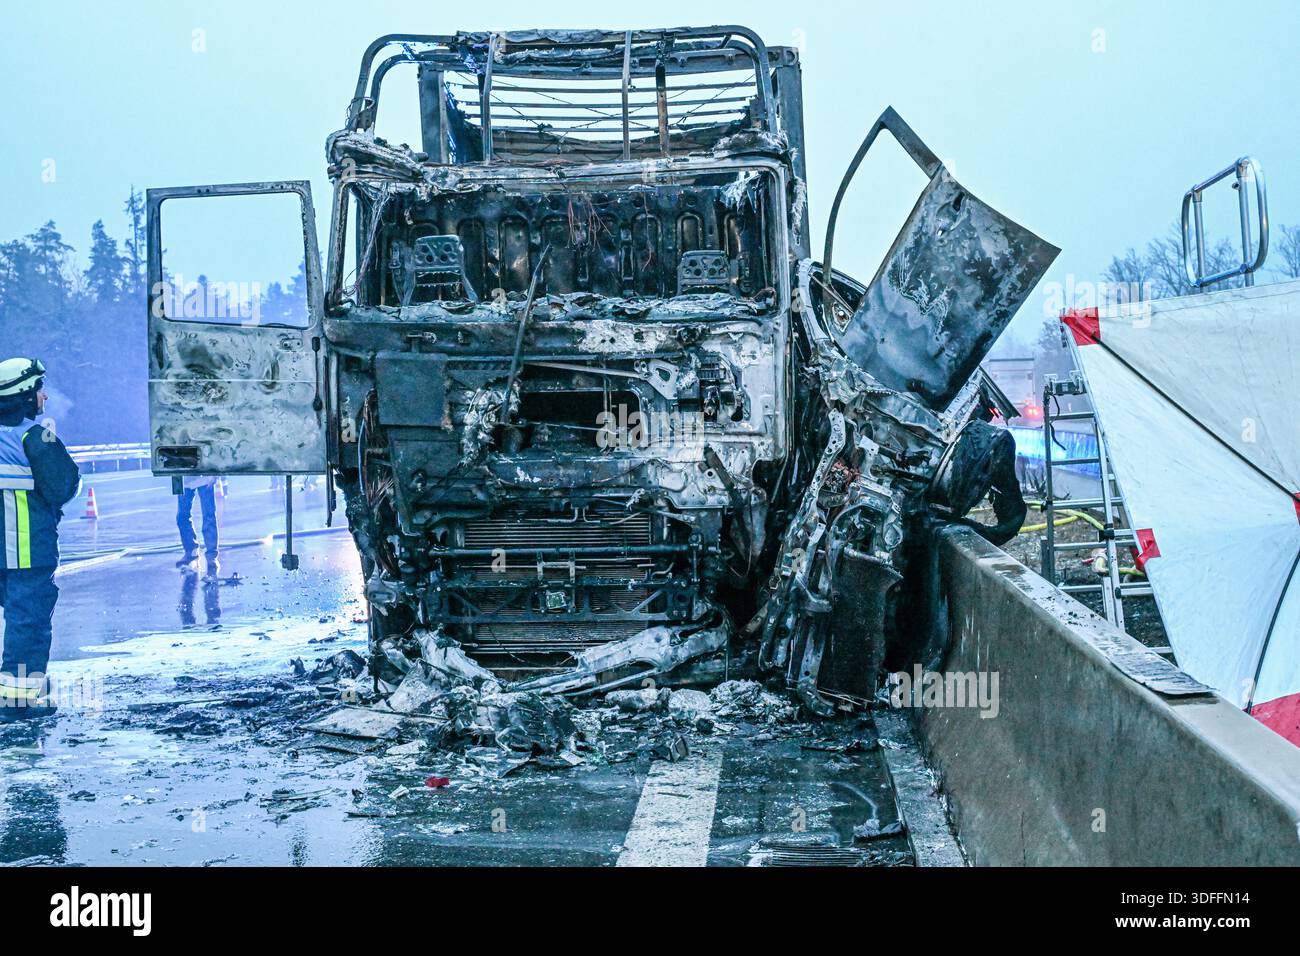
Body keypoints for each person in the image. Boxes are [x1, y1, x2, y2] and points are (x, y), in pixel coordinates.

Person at [0, 358, 81, 722]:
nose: (43, 396)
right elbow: (63, 486)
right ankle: (18, 703)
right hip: (26, 553)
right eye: (37, 389)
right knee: (28, 626)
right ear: (23, 396)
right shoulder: (37, 436)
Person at [176, 475, 219, 573]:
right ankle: (191, 551)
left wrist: (215, 475)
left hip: (204, 475)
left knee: (209, 516)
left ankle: (211, 556)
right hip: (183, 477)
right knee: (182, 517)